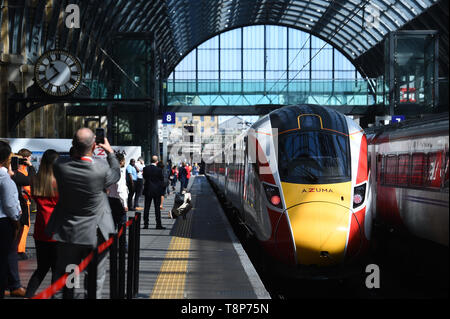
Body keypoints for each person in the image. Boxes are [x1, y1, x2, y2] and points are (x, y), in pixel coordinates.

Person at [45, 128, 120, 299]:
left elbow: (67, 159)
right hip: (96, 232)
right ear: (94, 145)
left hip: (69, 232)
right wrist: (110, 153)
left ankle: (68, 296)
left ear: (73, 144)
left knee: (68, 273)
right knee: (95, 275)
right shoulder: (100, 169)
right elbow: (115, 174)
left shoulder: (60, 166)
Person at [25, 149, 59, 298]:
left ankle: (29, 295)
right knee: (59, 269)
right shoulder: (60, 182)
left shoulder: (36, 180)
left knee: (41, 268)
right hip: (58, 229)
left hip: (40, 229)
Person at [0, 141, 21, 299]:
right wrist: (16, 220)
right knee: (5, 256)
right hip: (4, 222)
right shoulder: (5, 180)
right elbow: (9, 204)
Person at [12, 149, 36, 259]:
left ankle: (19, 249)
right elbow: (29, 184)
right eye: (29, 157)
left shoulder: (21, 170)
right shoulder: (21, 172)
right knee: (23, 227)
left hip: (24, 201)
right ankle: (19, 250)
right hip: (23, 202)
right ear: (26, 158)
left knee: (23, 227)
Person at [143, 155, 165, 230]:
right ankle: (158, 224)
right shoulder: (159, 170)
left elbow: (144, 177)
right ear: (157, 161)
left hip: (148, 190)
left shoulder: (145, 169)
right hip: (156, 191)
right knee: (157, 208)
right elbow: (161, 179)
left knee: (146, 208)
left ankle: (146, 224)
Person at [107, 153, 129, 229]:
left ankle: (112, 240)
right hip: (118, 201)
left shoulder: (108, 171)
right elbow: (120, 189)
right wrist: (125, 204)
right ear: (121, 161)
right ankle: (122, 241)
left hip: (109, 199)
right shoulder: (119, 172)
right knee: (121, 224)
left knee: (112, 225)